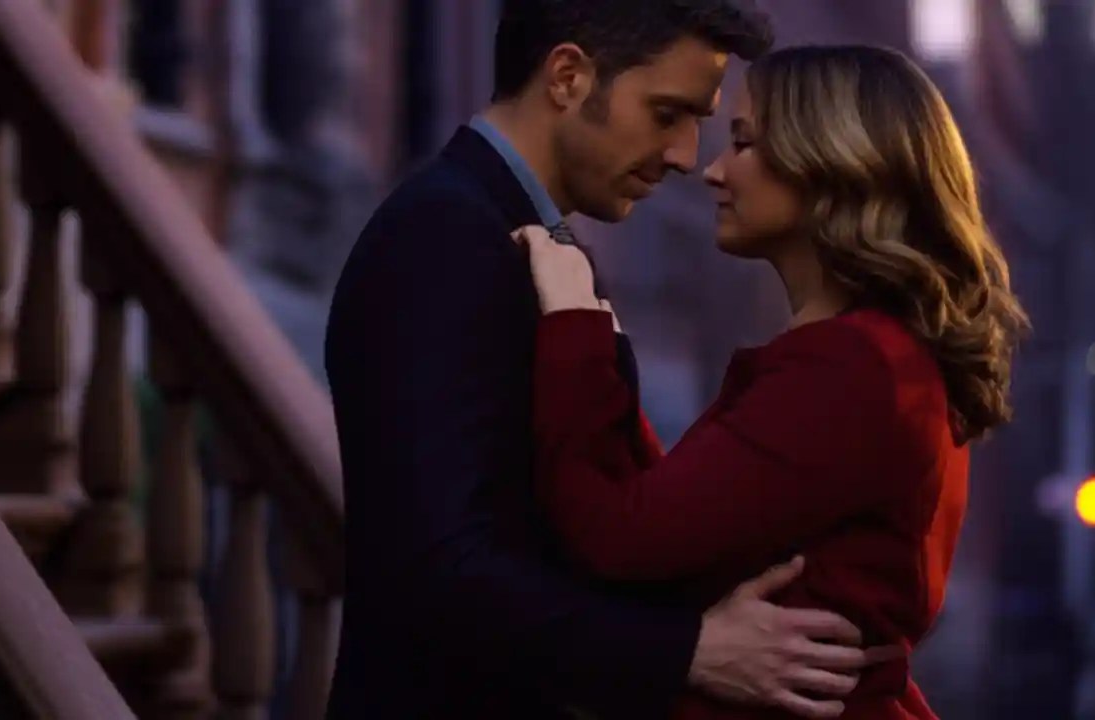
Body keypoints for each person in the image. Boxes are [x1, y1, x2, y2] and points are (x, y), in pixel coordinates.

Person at [325, 3, 888, 718]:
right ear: (567, 77)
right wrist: (688, 650)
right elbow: (440, 567)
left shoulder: (516, 237)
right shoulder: (445, 237)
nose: (686, 155)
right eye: (666, 114)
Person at [517, 45, 1031, 719]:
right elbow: (676, 510)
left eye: (744, 142)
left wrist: (572, 328)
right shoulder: (875, 358)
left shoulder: (850, 369)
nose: (713, 170)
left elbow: (616, 538)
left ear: (833, 162)